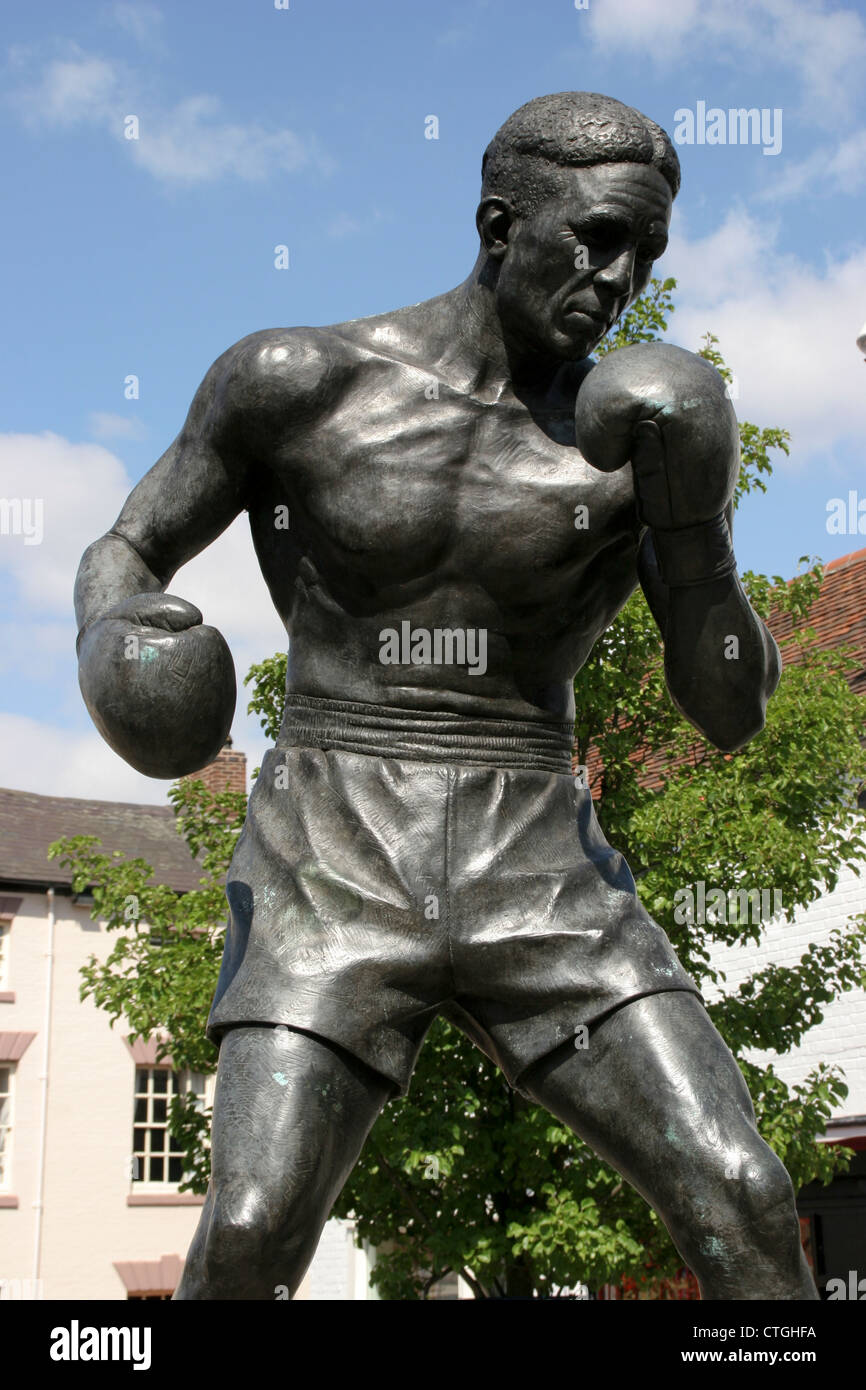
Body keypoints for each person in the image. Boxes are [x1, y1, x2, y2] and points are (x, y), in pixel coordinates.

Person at [75, 91, 817, 1300]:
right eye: (596, 237)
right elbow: (128, 545)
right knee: (254, 1228)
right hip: (335, 837)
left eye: (647, 253)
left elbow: (728, 709)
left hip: (537, 847)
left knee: (740, 1188)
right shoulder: (296, 380)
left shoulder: (628, 444)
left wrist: (692, 526)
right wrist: (115, 630)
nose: (619, 277)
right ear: (496, 222)